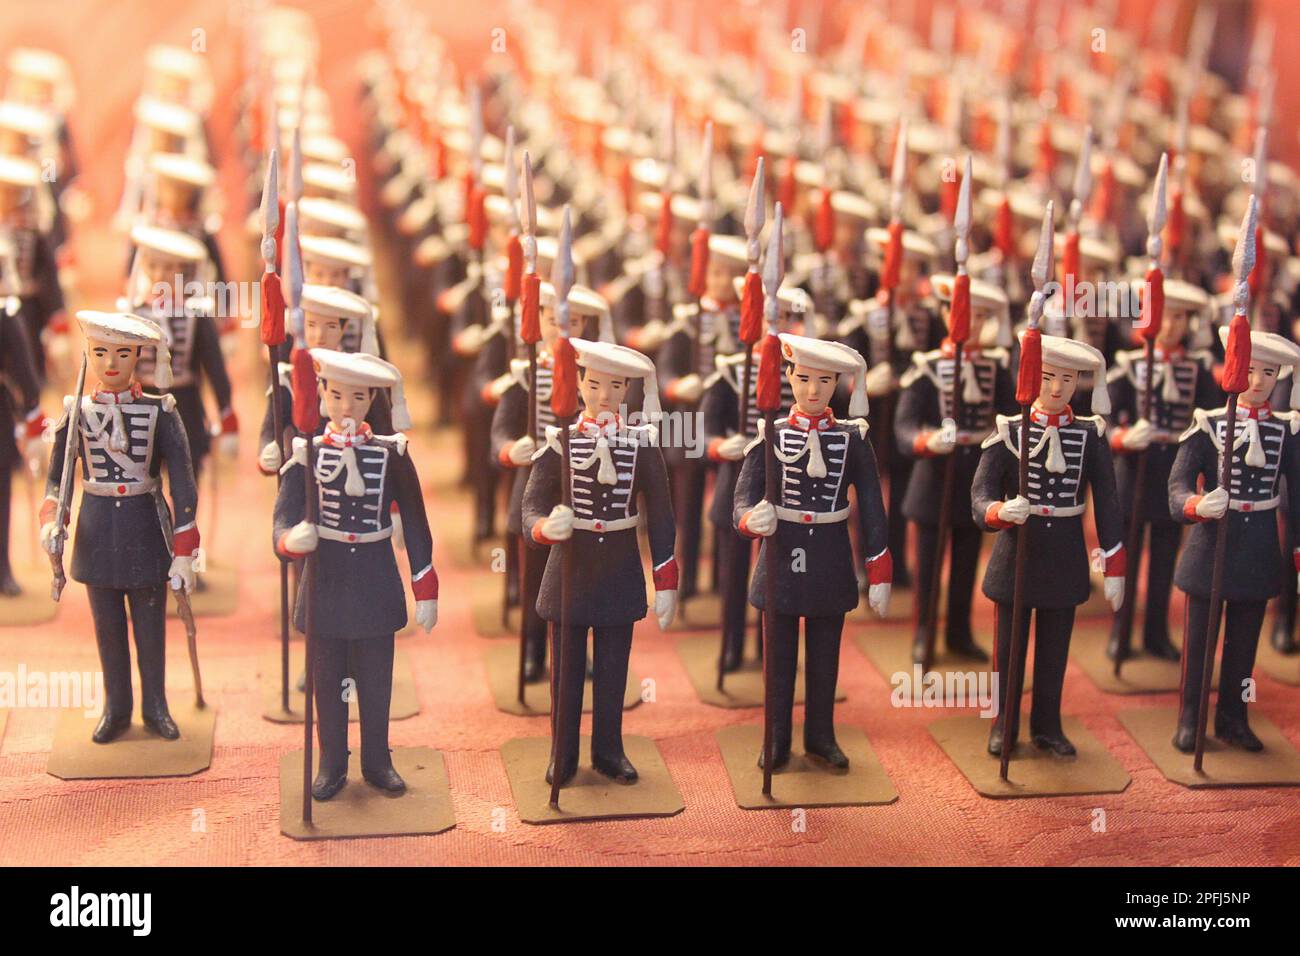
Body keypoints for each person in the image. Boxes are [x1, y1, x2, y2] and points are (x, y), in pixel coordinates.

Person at [273, 349, 437, 799]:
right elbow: (281, 522)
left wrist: (425, 586)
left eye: (359, 397)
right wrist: (292, 541)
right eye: (339, 394)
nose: (347, 407)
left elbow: (418, 522)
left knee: (376, 680)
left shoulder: (393, 453)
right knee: (327, 684)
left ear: (371, 401)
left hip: (375, 580)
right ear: (322, 393)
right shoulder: (306, 454)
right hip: (325, 583)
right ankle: (331, 762)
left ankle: (378, 758)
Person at [733, 333, 892, 769]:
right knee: (779, 664)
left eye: (824, 381)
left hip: (830, 559)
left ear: (837, 383)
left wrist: (878, 568)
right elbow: (742, 500)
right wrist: (751, 520)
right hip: (781, 558)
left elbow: (873, 507)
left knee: (825, 661)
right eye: (803, 378)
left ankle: (821, 735)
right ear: (788, 376)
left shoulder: (852, 438)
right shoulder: (771, 434)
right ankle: (776, 739)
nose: (813, 390)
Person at [40, 310, 200, 743]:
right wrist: (52, 519)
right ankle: (116, 707)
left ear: (138, 357)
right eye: (101, 352)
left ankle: (155, 706)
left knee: (151, 630)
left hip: (146, 531)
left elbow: (183, 483)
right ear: (88, 354)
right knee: (107, 631)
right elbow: (58, 478)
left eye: (122, 353)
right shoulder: (76, 411)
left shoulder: (161, 410)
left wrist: (184, 549)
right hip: (95, 535)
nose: (111, 363)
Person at [522, 339, 677, 784]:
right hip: (569, 569)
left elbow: (662, 514)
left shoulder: (642, 444)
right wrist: (543, 527)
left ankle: (609, 749)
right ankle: (563, 754)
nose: (605, 395)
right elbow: (529, 506)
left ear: (628, 389)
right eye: (595, 384)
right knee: (566, 677)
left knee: (612, 673)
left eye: (615, 386)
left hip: (620, 569)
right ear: (580, 385)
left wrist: (665, 577)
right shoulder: (560, 443)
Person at [1168, 329, 1300, 752]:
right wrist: (1196, 504)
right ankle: (1191, 718)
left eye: (1267, 372)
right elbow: (1177, 487)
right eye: (1249, 369)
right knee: (1199, 647)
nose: (1257, 381)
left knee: (1243, 651)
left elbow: (1296, 499)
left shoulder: (1289, 431)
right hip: (1211, 545)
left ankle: (1234, 716)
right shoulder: (1208, 423)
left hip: (1259, 546)